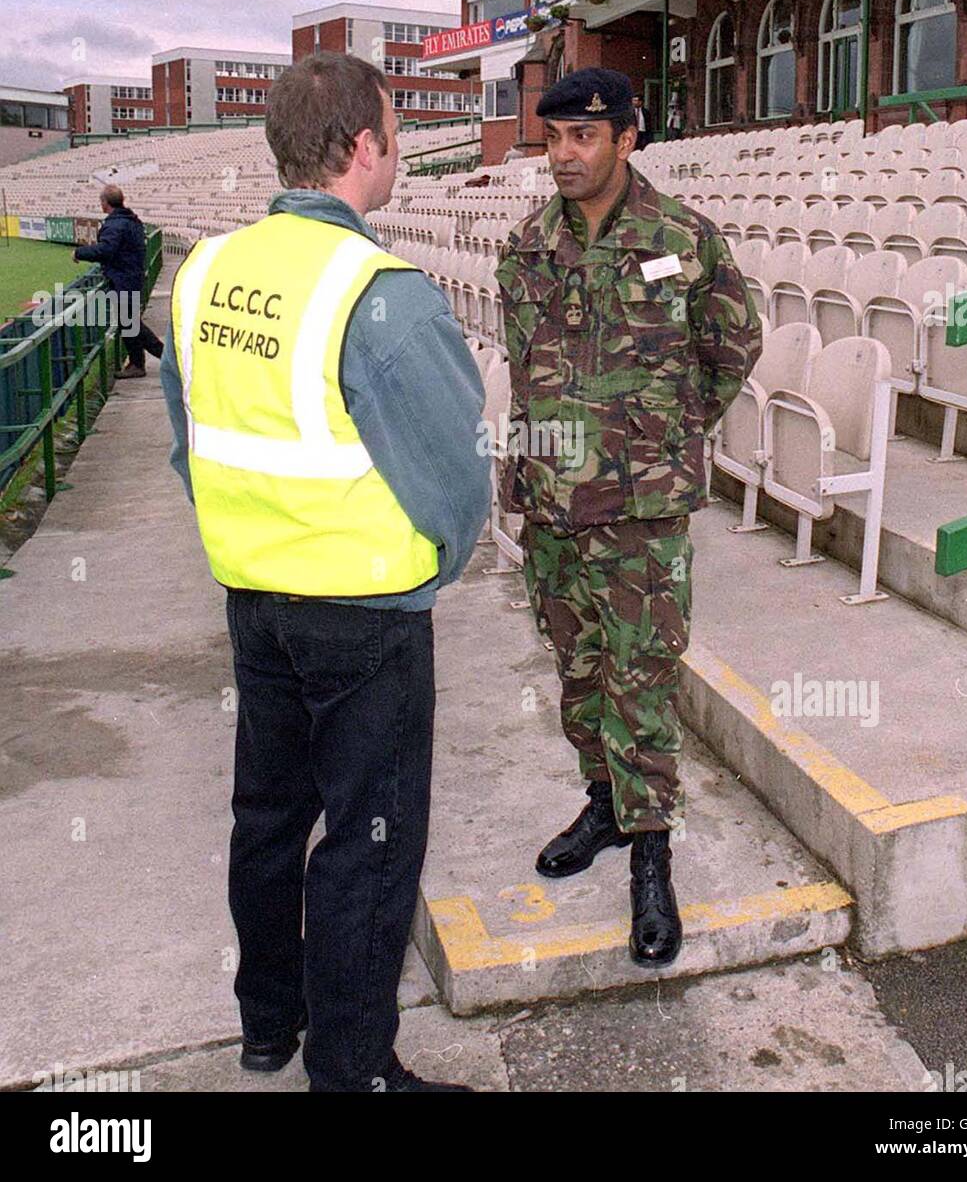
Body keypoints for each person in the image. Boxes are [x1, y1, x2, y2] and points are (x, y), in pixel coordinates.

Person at [160, 54, 492, 1092]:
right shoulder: (378, 294)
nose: (396, 146)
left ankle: (269, 1024)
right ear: (363, 147)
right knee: (366, 843)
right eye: (394, 128)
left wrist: (253, 533)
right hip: (365, 617)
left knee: (267, 817)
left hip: (255, 602)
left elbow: (188, 439)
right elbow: (456, 477)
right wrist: (432, 568)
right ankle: (351, 1071)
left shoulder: (207, 272)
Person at [495, 67, 761, 968]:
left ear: (627, 139)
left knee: (642, 679)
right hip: (553, 508)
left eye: (583, 138)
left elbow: (733, 348)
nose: (563, 156)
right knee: (577, 668)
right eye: (553, 139)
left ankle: (653, 854)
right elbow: (527, 370)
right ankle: (603, 807)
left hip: (642, 512)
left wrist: (666, 435)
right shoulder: (525, 247)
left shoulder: (685, 240)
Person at [73, 184, 163, 378]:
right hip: (132, 276)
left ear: (105, 203)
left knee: (130, 323)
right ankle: (137, 364)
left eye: (101, 201)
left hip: (123, 279)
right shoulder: (132, 220)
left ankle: (168, 357)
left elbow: (106, 250)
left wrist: (79, 252)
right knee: (128, 323)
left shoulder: (115, 224)